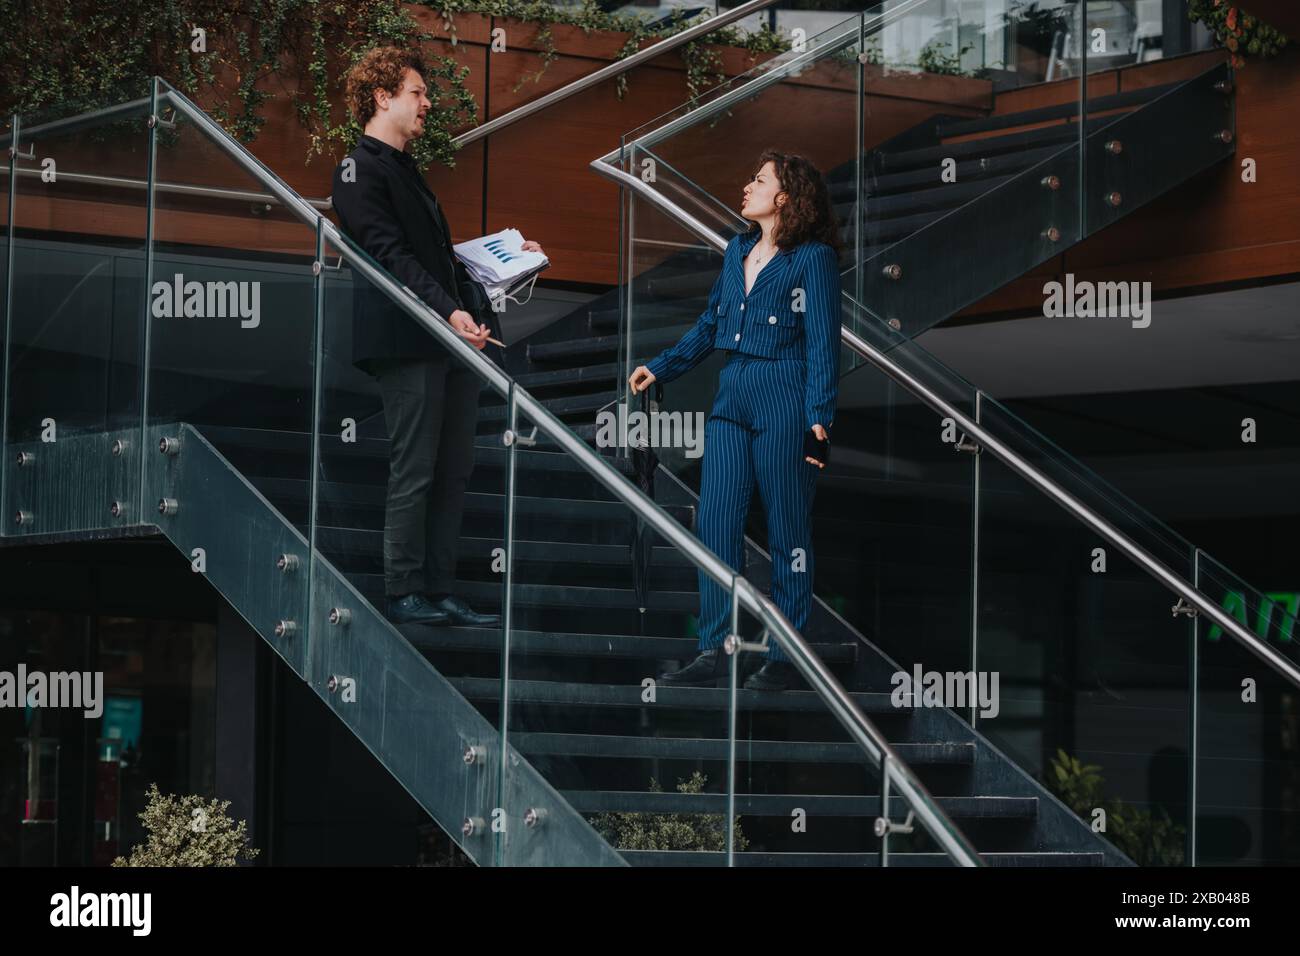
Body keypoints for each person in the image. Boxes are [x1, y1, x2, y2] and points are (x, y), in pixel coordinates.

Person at [332, 46, 545, 627]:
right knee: (416, 467)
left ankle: (440, 586)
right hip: (406, 339)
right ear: (383, 97)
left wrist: (505, 255)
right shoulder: (358, 168)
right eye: (417, 93)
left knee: (453, 468)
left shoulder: (405, 169)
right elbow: (390, 257)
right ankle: (404, 590)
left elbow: (434, 258)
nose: (428, 102)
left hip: (448, 337)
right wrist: (450, 313)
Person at [629, 151, 841, 691]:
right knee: (716, 521)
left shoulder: (812, 259)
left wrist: (820, 414)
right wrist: (662, 366)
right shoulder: (737, 249)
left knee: (787, 525)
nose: (747, 186)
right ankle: (714, 649)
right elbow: (710, 324)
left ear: (786, 197)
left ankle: (786, 655)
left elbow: (822, 341)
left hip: (786, 395)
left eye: (758, 179)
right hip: (733, 393)